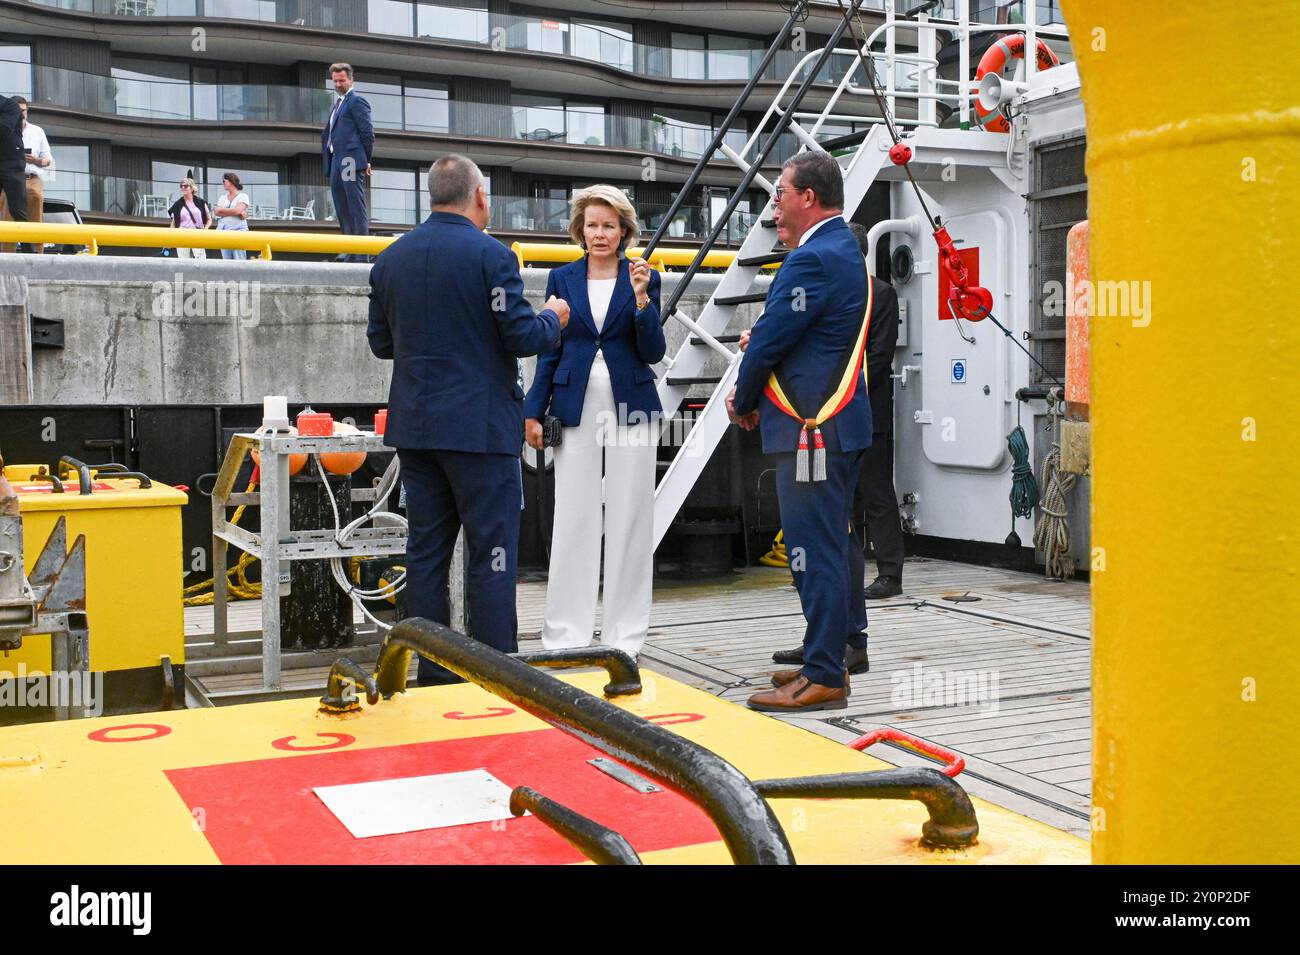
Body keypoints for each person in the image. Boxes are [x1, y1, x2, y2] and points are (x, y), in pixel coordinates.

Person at [367, 154, 570, 684]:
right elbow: (523, 337)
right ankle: (495, 669)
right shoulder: (493, 257)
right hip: (480, 431)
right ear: (480, 196)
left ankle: (432, 672)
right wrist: (555, 317)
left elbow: (381, 343)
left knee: (426, 551)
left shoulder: (390, 260)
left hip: (416, 428)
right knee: (492, 551)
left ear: (430, 196)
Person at [728, 150, 871, 713]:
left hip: (813, 431)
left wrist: (742, 397)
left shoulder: (812, 259)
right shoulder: (842, 250)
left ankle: (824, 676)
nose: (775, 208)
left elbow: (769, 337)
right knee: (832, 545)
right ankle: (827, 656)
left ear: (807, 197)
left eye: (780, 194)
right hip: (837, 426)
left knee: (814, 548)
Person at [523, 185, 665, 660]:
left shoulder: (644, 276)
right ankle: (566, 635)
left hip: (634, 406)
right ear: (579, 230)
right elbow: (550, 348)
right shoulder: (561, 278)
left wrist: (643, 301)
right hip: (571, 404)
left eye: (608, 225)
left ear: (623, 230)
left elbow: (654, 352)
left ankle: (625, 638)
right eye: (591, 225)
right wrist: (532, 410)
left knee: (631, 517)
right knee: (574, 516)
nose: (599, 234)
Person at [848, 221, 904, 598]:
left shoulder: (882, 295)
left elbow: (879, 355)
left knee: (877, 490)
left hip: (869, 409)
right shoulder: (835, 294)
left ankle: (890, 575)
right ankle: (844, 568)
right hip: (836, 410)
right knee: (842, 494)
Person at [320, 62, 373, 262]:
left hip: (350, 160)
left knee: (354, 206)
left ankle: (361, 254)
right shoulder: (338, 105)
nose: (338, 84)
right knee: (341, 205)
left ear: (351, 80)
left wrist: (366, 160)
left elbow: (367, 133)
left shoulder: (357, 101)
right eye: (335, 81)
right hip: (336, 160)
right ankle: (349, 249)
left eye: (342, 80)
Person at [0, 94, 29, 254]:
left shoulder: (10, 106)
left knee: (18, 210)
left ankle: (28, 250)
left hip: (12, 163)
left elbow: (4, 129)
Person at [168, 178, 213, 258]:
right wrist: (170, 239)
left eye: (185, 186)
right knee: (183, 260)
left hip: (198, 232)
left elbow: (209, 219)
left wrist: (205, 229)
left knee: (200, 259)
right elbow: (174, 223)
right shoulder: (178, 204)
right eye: (181, 186)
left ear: (192, 188)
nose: (183, 188)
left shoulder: (201, 202)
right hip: (182, 233)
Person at [213, 172, 250, 260]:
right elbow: (216, 212)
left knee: (239, 259)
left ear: (231, 182)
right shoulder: (222, 197)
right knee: (226, 259)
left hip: (238, 230)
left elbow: (237, 210)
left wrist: (223, 211)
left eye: (224, 181)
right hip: (224, 230)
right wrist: (236, 212)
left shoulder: (243, 196)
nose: (223, 183)